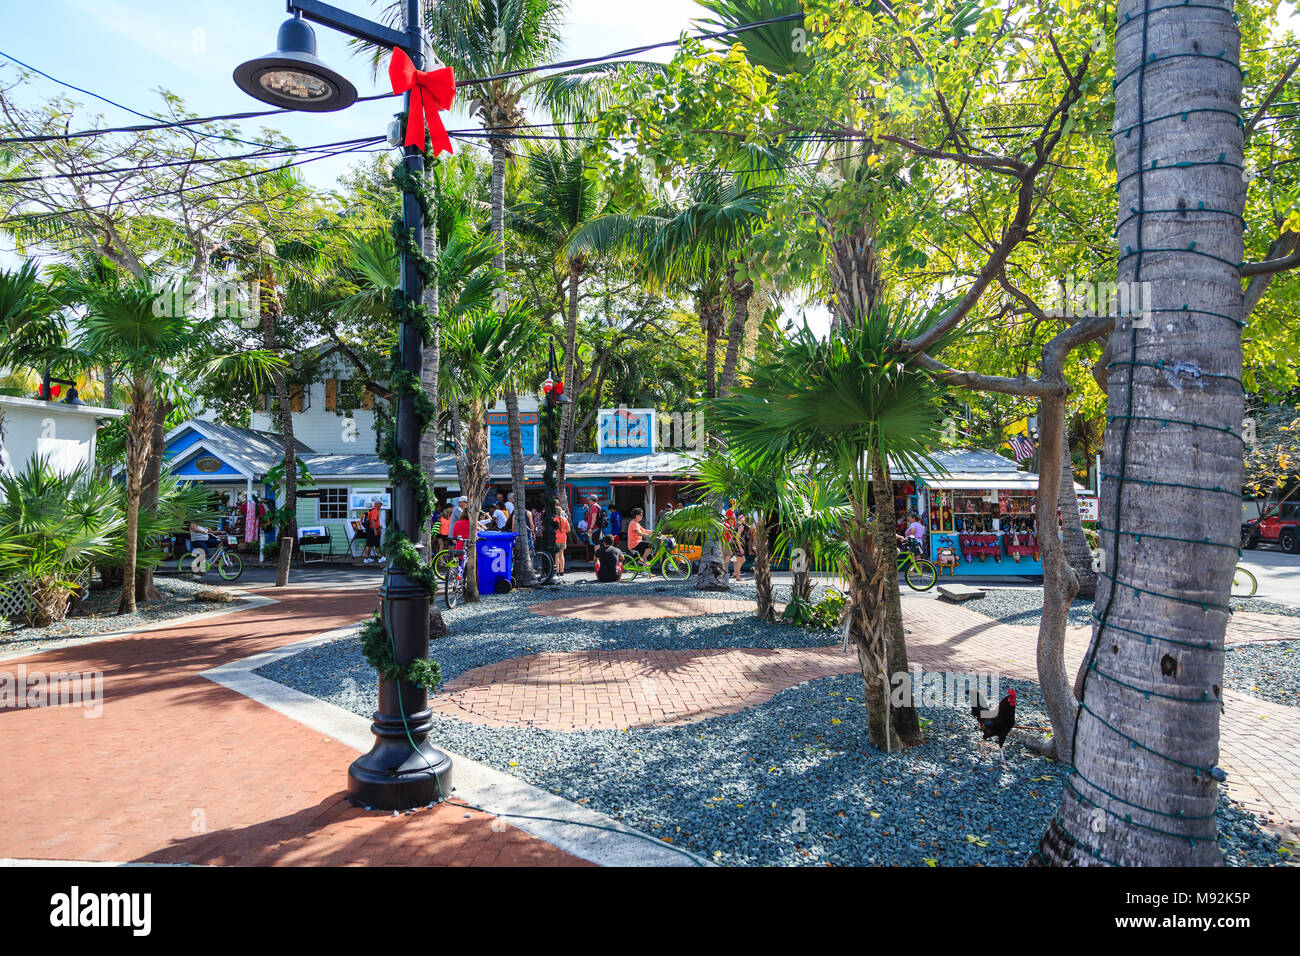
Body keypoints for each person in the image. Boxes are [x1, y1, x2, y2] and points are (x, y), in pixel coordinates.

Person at [361, 498, 385, 564]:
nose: (381, 505)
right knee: (377, 544)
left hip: (371, 530)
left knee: (369, 544)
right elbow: (373, 521)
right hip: (373, 530)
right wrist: (375, 530)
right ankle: (380, 558)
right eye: (380, 504)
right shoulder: (375, 511)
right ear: (377, 504)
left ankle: (366, 558)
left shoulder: (372, 510)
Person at [553, 504, 570, 576]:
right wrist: (563, 531)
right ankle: (562, 571)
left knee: (556, 555)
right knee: (561, 555)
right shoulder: (565, 519)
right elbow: (568, 529)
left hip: (556, 538)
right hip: (563, 538)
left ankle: (556, 571)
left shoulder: (554, 519)